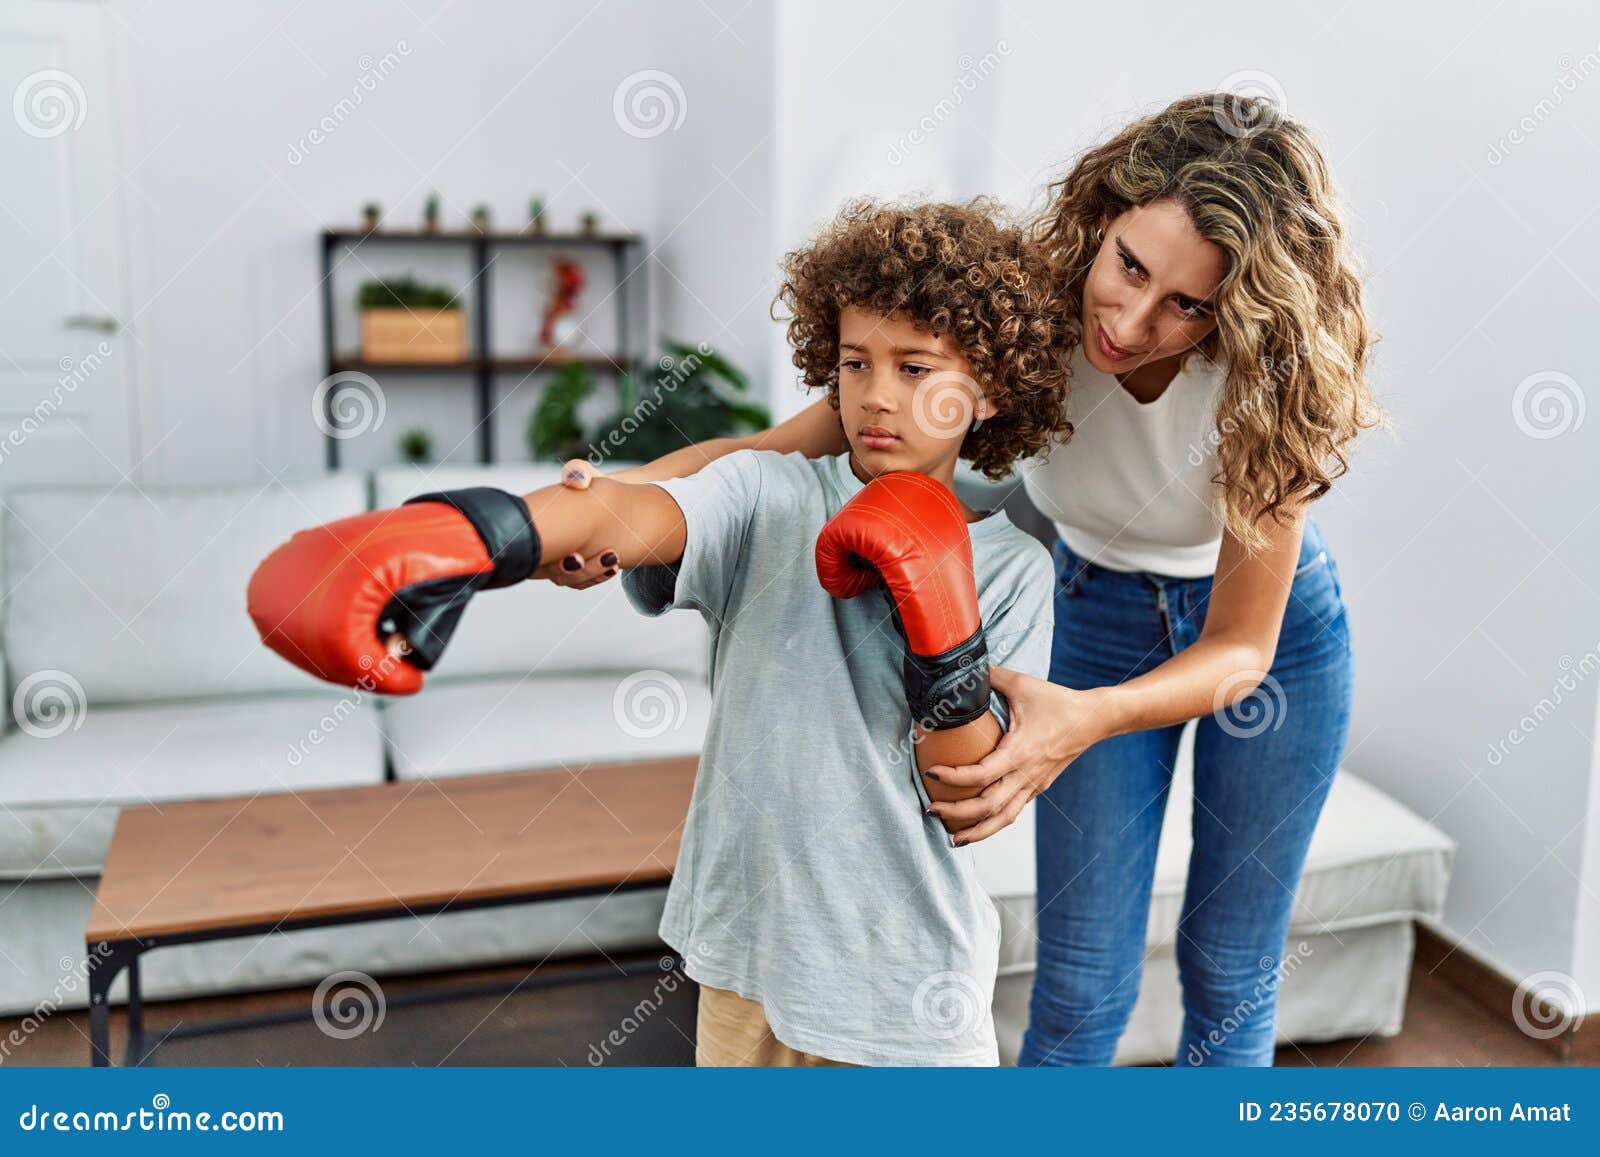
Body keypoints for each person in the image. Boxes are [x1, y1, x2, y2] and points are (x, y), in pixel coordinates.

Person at [547, 94, 1387, 1067]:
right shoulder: (1021, 312)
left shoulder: (1266, 380)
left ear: (1240, 303)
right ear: (1103, 217)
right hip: (1098, 602)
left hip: (1271, 644)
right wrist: (605, 505)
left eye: (1188, 305)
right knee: (1078, 976)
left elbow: (1240, 647)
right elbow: (772, 453)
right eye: (1128, 266)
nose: (1129, 318)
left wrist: (1089, 717)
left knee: (1231, 967)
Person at [246, 199, 1074, 1065]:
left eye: (915, 368)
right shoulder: (770, 495)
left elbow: (965, 792)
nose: (875, 394)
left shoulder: (1014, 568)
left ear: (986, 386)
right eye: (854, 362)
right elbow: (626, 511)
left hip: (907, 987)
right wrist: (470, 534)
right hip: (743, 959)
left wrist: (946, 632)